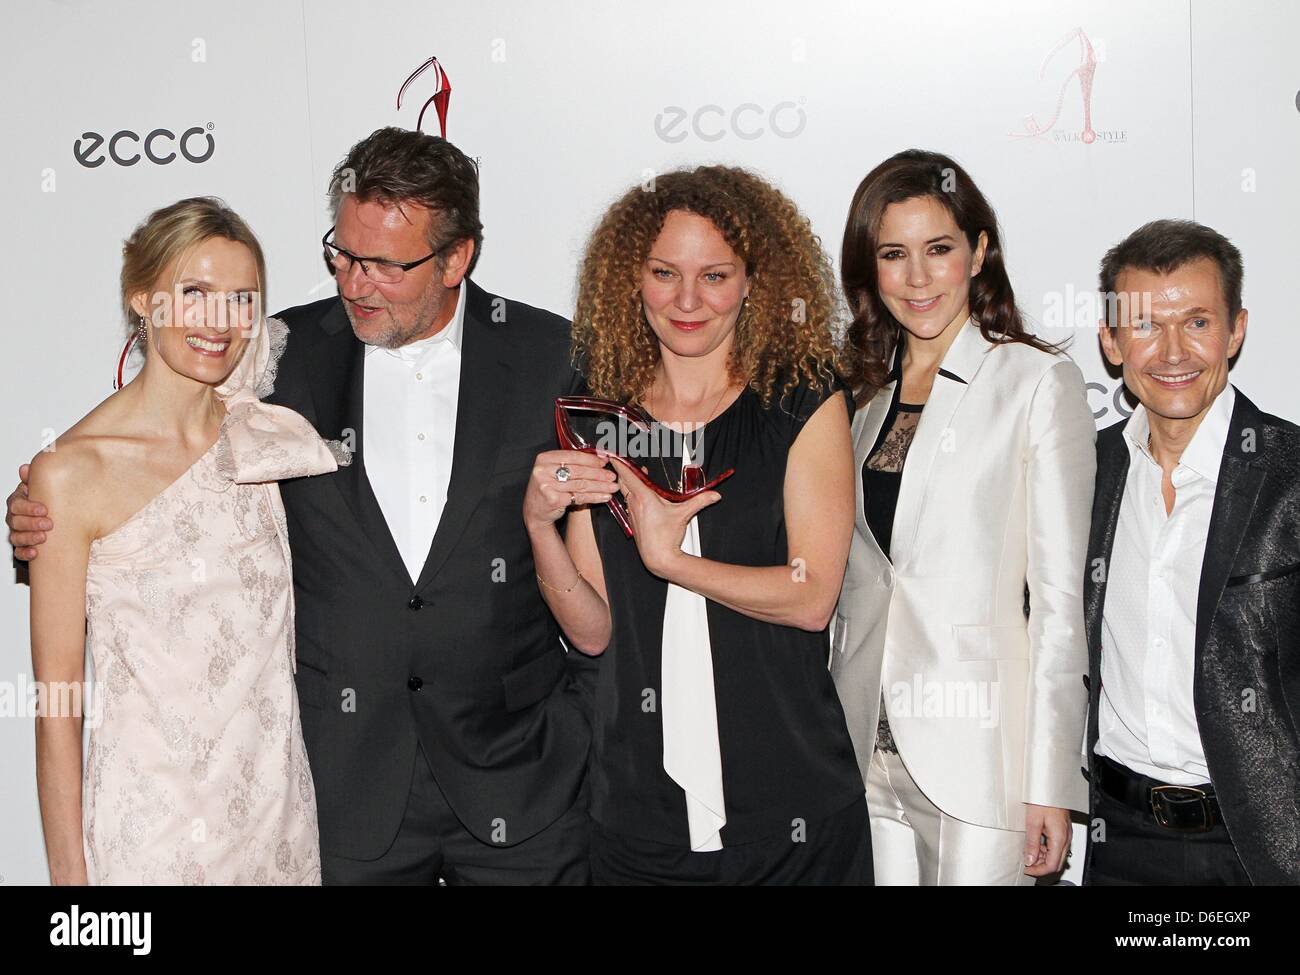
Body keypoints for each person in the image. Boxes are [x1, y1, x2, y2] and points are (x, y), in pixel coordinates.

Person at [12, 128, 594, 885]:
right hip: (342, 788)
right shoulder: (286, 354)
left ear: (457, 258)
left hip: (519, 776)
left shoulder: (554, 356)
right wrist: (40, 492)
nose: (355, 284)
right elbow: (150, 420)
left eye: (385, 265)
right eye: (342, 255)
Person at [522, 165, 872, 885]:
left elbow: (811, 599)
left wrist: (673, 560)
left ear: (753, 281)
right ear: (631, 276)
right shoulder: (602, 414)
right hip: (637, 815)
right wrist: (538, 527)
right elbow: (592, 629)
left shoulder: (801, 404)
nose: (687, 300)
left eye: (714, 275)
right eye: (663, 272)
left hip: (791, 809)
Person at [27, 197, 345, 884]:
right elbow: (57, 706)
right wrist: (69, 886)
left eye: (240, 299)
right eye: (193, 293)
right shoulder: (71, 472)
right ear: (143, 298)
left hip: (277, 823)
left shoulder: (261, 436)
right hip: (154, 838)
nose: (218, 321)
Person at [831, 149, 1095, 885]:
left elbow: (1059, 604)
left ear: (979, 252)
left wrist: (1050, 779)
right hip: (863, 750)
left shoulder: (1035, 383)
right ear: (870, 268)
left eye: (939, 249)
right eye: (894, 254)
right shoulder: (860, 402)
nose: (918, 278)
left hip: (981, 757)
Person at [1083, 219, 1300, 885]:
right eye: (1145, 324)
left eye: (1197, 322)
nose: (1172, 350)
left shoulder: (1291, 473)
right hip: (1114, 836)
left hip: (1259, 843)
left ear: (1235, 329)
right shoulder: (1084, 474)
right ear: (1111, 343)